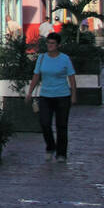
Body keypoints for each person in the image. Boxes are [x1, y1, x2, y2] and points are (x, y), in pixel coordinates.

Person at [24, 32, 77, 163]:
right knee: (45, 123)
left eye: (52, 43)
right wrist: (29, 92)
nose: (50, 45)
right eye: (48, 43)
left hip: (63, 96)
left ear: (58, 45)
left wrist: (74, 95)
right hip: (45, 96)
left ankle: (61, 153)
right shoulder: (42, 58)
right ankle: (50, 146)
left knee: (61, 126)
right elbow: (36, 76)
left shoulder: (65, 59)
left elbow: (71, 78)